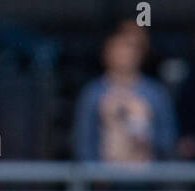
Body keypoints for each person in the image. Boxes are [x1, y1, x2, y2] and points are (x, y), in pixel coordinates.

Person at [73, 29, 176, 162]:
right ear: (106, 53)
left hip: (148, 176)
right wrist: (95, 176)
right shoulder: (93, 93)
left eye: (129, 49)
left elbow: (167, 140)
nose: (124, 55)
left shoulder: (155, 93)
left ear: (140, 54)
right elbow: (83, 140)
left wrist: (141, 125)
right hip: (104, 176)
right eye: (118, 49)